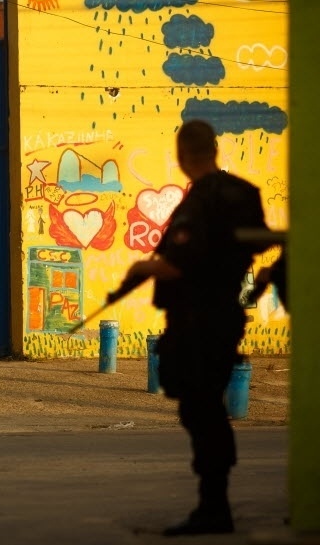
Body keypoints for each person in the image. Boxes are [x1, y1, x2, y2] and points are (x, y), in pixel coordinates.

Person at [116, 119, 269, 536]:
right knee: (209, 409)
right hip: (226, 318)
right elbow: (253, 245)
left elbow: (180, 261)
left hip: (197, 321)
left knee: (200, 410)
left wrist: (142, 266)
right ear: (214, 149)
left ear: (183, 155)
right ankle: (214, 501)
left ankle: (213, 507)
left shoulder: (200, 202)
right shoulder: (244, 194)